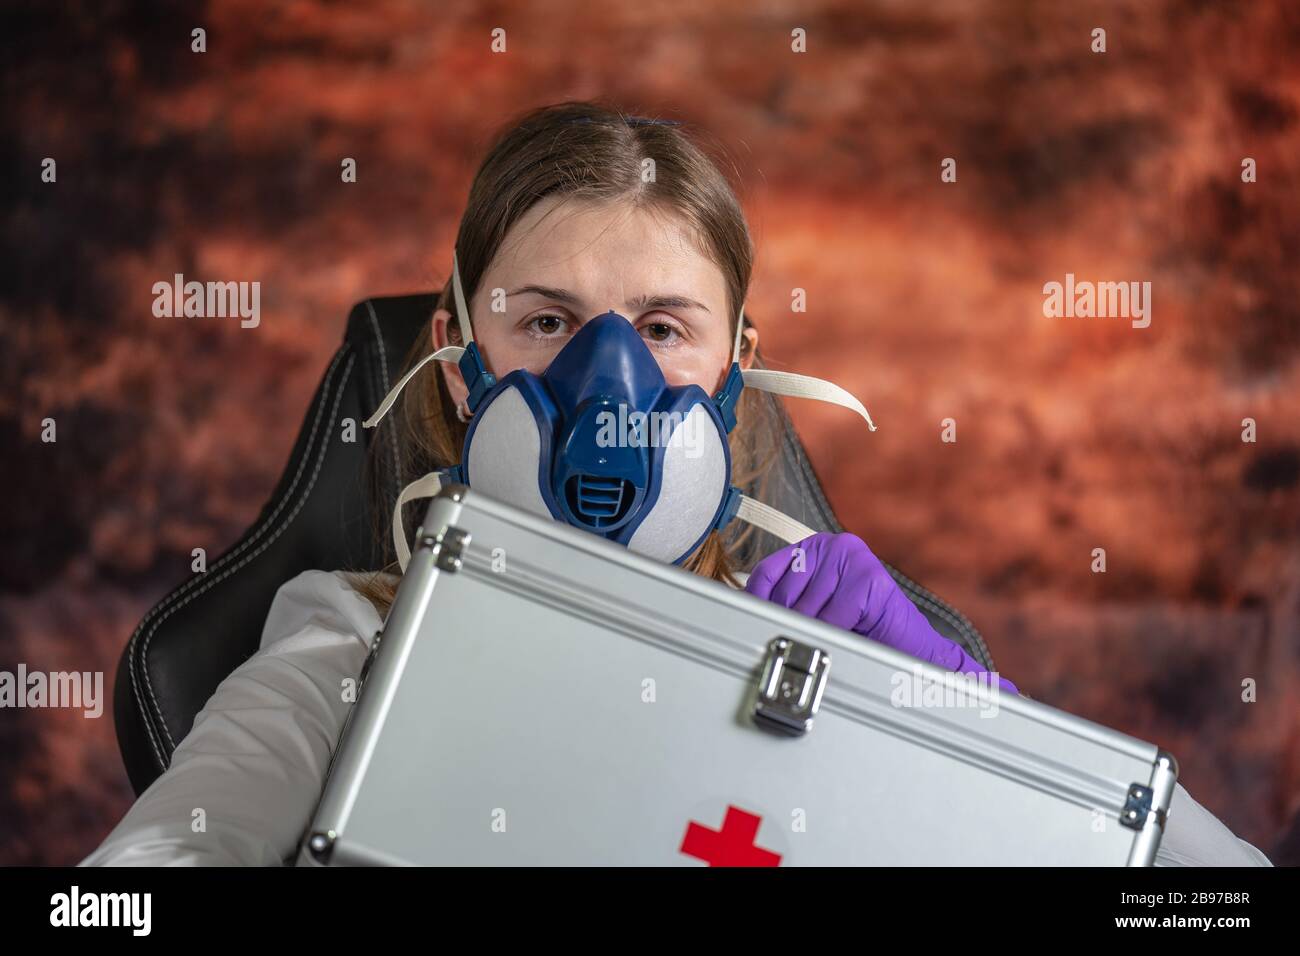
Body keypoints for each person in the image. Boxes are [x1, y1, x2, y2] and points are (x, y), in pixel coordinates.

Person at [81, 102, 1271, 867]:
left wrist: (979, 724)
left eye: (662, 326)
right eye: (546, 320)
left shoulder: (823, 652)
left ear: (736, 366)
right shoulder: (352, 638)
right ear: (454, 362)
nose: (611, 384)